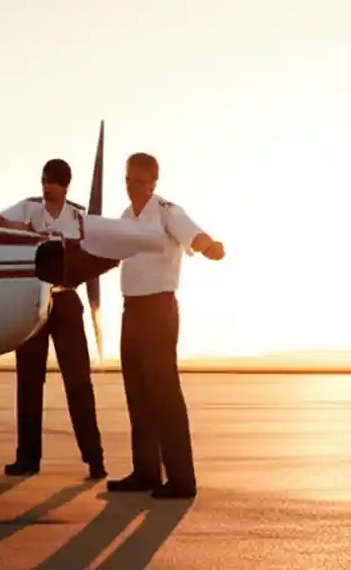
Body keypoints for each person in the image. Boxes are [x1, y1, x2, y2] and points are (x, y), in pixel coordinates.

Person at [106, 152, 225, 499]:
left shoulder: (167, 211)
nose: (132, 187)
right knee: (137, 392)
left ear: (153, 182)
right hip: (132, 310)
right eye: (128, 180)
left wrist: (210, 247)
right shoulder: (126, 217)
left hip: (158, 309)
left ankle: (182, 479)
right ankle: (146, 472)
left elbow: (194, 234)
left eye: (139, 181)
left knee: (164, 393)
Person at [0, 158, 107, 480]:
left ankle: (94, 458)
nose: (46, 186)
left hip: (67, 300)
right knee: (28, 381)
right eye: (43, 180)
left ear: (65, 185)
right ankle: (27, 458)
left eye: (52, 181)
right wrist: (19, 229)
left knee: (78, 381)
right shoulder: (28, 208)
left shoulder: (81, 217)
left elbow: (103, 245)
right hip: (33, 301)